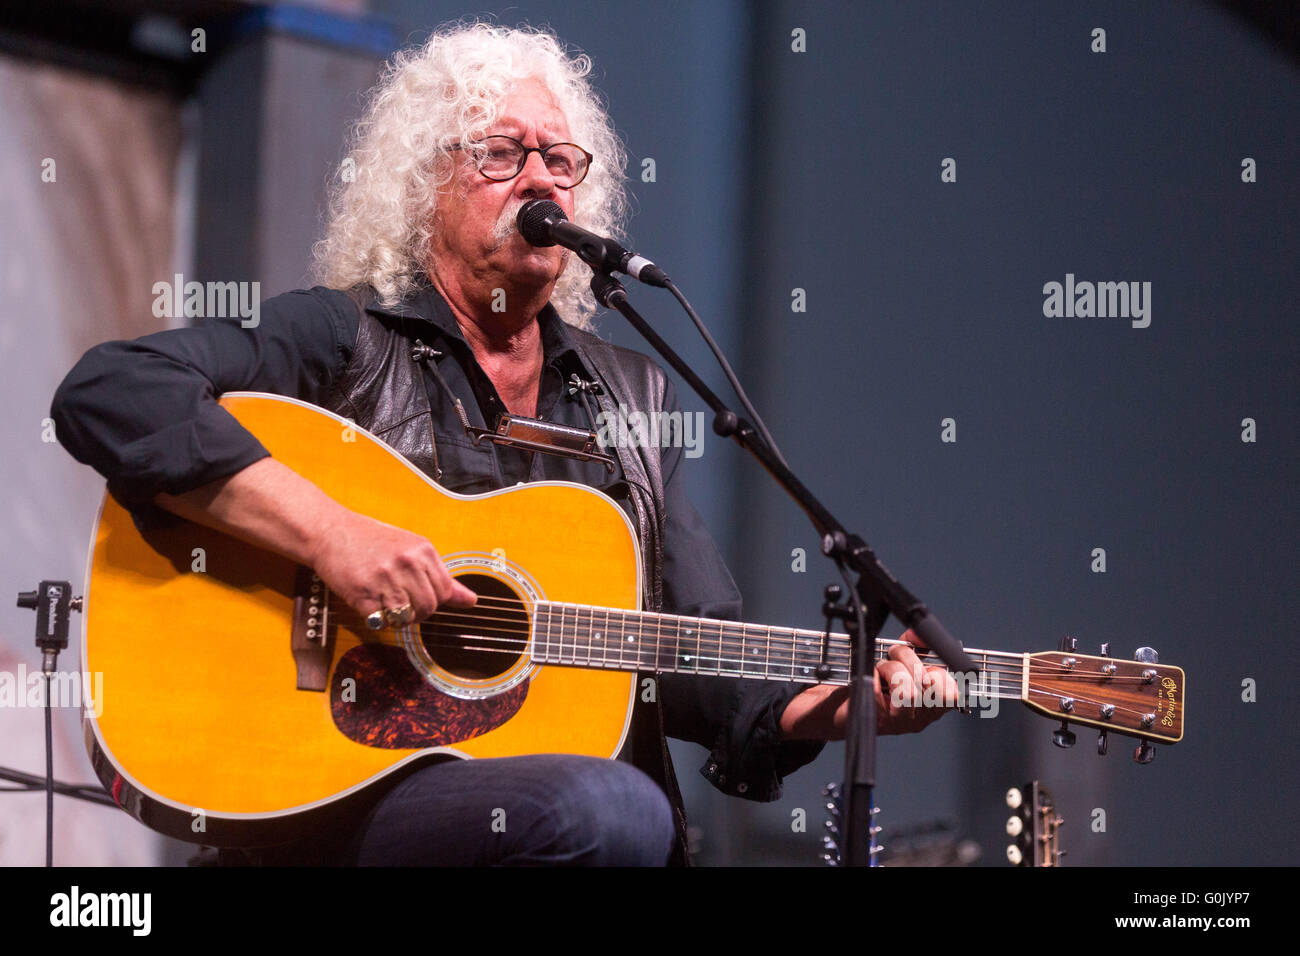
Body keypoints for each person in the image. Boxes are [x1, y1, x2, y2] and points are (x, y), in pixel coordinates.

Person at [51, 22, 956, 866]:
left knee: (620, 808)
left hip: (536, 793)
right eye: (501, 153)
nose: (541, 179)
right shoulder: (342, 338)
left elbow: (699, 663)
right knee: (613, 810)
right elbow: (112, 392)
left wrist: (843, 709)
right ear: (422, 183)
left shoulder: (627, 397)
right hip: (342, 792)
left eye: (559, 159)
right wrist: (333, 536)